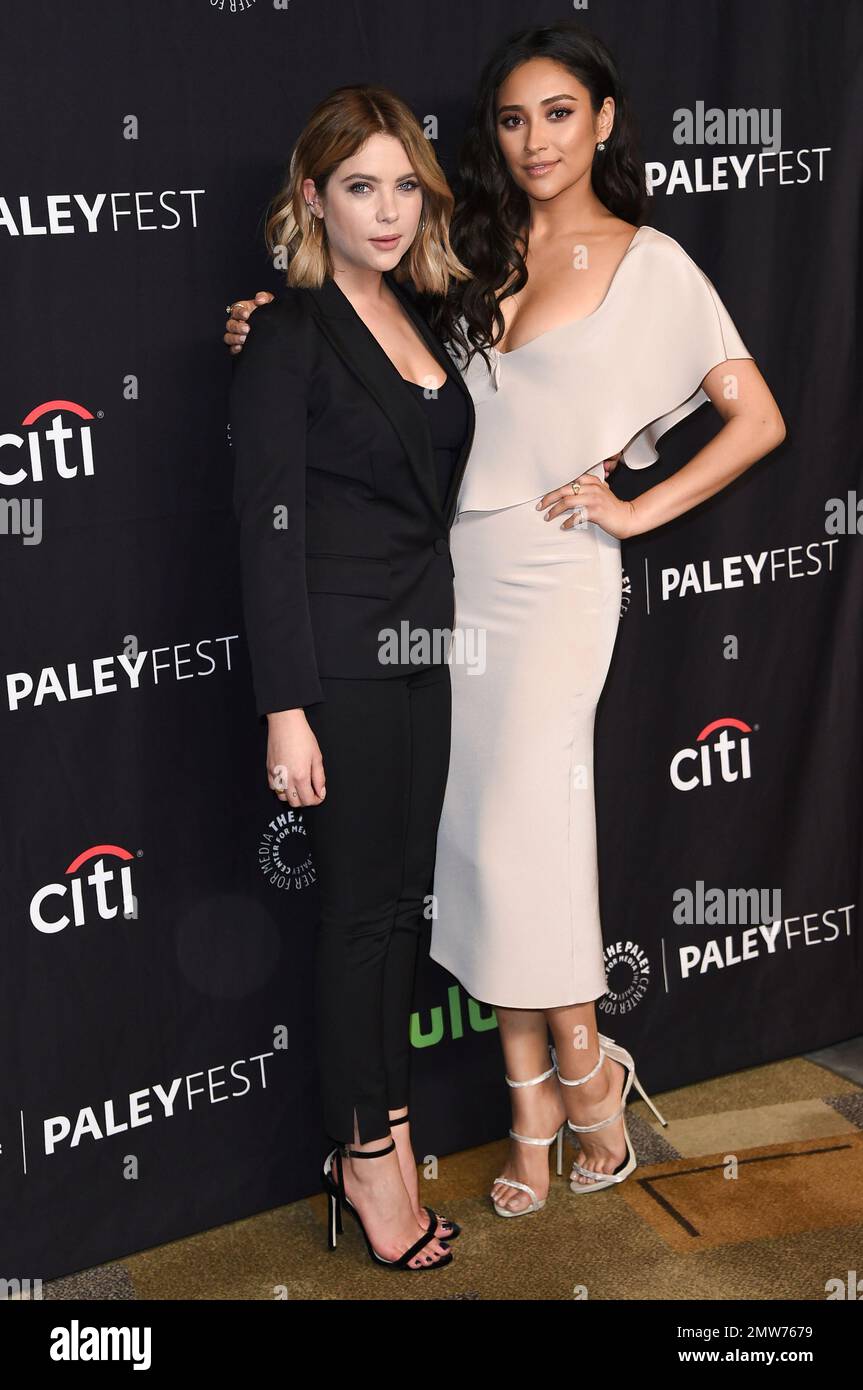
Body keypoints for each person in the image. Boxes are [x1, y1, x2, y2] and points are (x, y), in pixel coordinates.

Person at [225, 22, 785, 1220]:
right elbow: (369, 358)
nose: (534, 140)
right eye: (514, 119)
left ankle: (574, 1083)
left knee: (526, 826)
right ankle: (543, 1092)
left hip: (556, 577)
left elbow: (756, 419)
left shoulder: (654, 264)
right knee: (479, 841)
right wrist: (268, 330)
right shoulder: (463, 256)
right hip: (446, 582)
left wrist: (633, 509)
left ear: (604, 123)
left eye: (559, 114)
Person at [229, 83, 475, 1269]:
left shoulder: (427, 317)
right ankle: (365, 1158)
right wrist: (287, 705)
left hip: (427, 649)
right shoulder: (287, 330)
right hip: (340, 664)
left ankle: (391, 1126)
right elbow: (264, 530)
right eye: (358, 187)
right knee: (357, 920)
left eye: (401, 185)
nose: (385, 210)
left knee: (395, 913)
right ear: (313, 199)